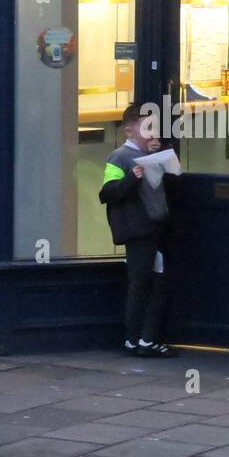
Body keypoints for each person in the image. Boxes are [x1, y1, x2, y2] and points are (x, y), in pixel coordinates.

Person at [99, 102, 177, 357]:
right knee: (144, 283)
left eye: (153, 127)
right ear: (129, 131)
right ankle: (139, 339)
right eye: (147, 128)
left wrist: (163, 154)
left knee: (152, 282)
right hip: (138, 230)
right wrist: (132, 177)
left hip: (152, 228)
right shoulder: (119, 157)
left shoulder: (151, 154)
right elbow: (108, 192)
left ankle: (141, 338)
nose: (152, 133)